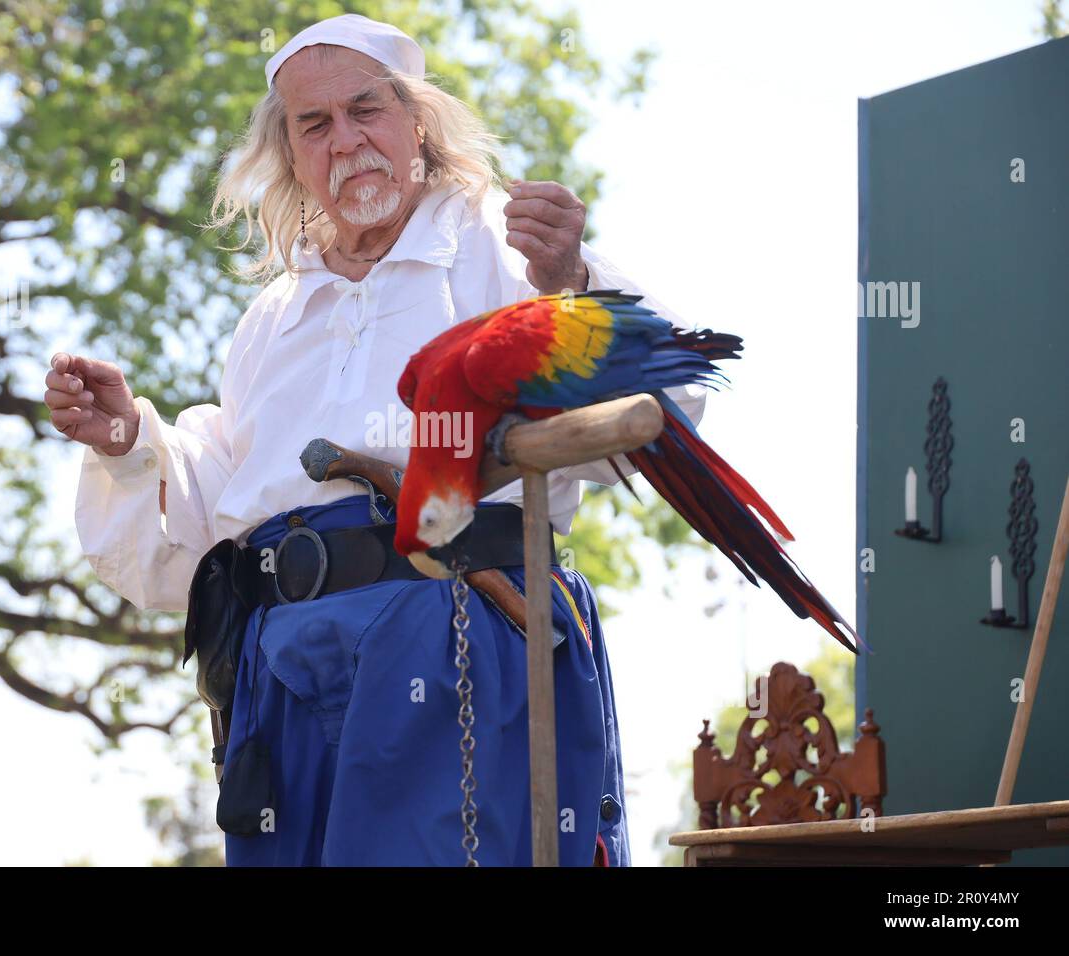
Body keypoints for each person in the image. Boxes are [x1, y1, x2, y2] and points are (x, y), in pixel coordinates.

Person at [49, 13, 707, 866]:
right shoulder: (273, 319)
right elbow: (210, 515)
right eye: (313, 125)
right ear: (289, 153)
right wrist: (129, 442)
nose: (346, 140)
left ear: (418, 121)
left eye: (367, 110)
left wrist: (573, 286)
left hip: (450, 634)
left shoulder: (501, 251)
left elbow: (672, 410)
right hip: (280, 668)